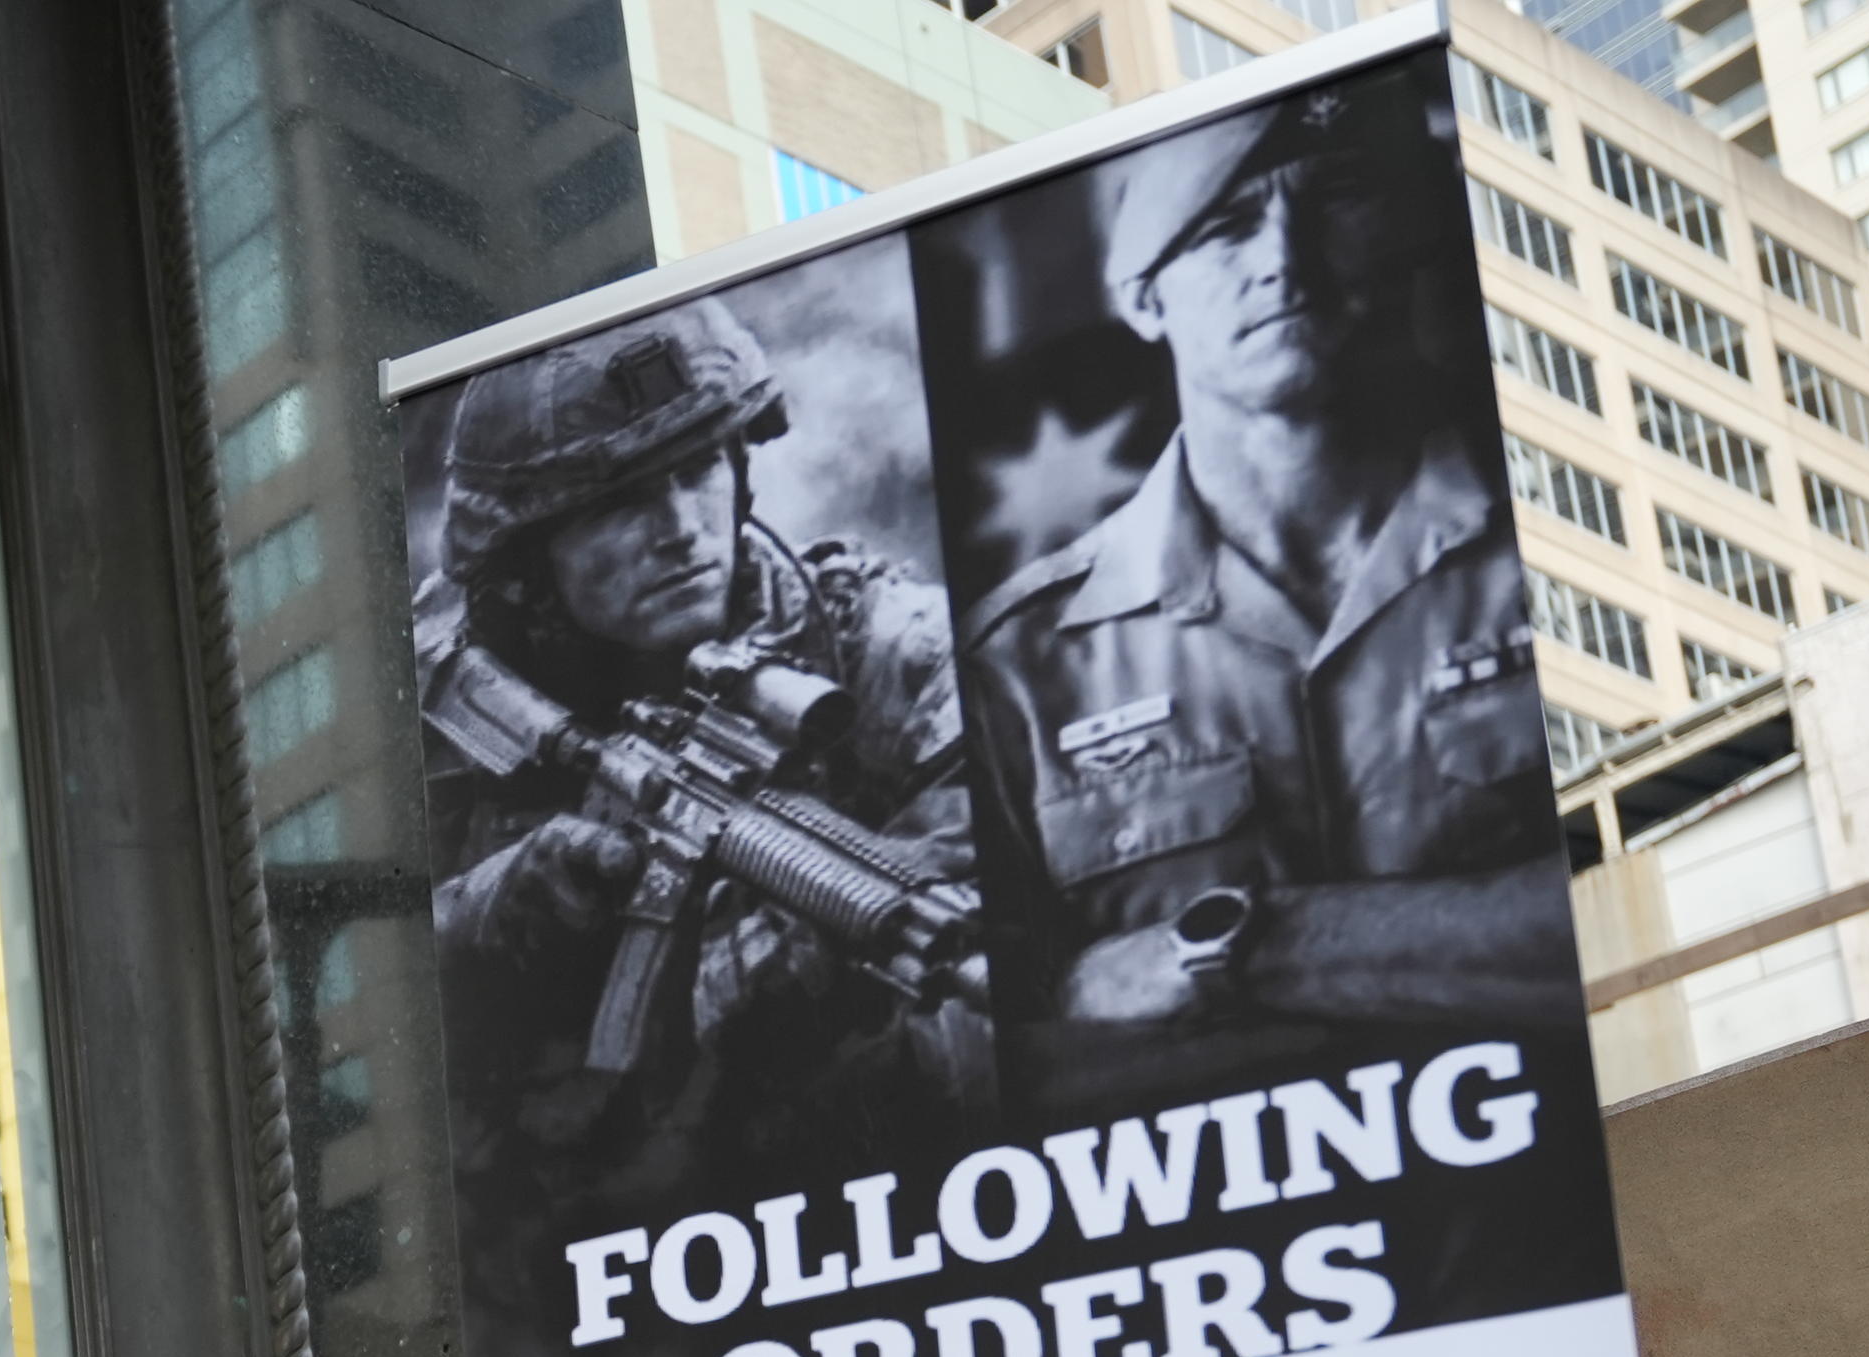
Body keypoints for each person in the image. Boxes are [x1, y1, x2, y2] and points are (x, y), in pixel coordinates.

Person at [957, 86, 1575, 1102]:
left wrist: (1243, 942)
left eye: (1335, 196)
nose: (1284, 257)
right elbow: (985, 1060)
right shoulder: (1019, 668)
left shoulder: (1550, 540)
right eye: (1224, 225)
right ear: (1142, 298)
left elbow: (1617, 898)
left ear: (1402, 235)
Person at [421, 296, 987, 1187]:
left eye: (698, 471)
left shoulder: (891, 649)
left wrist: (778, 952)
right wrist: (496, 908)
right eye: (621, 502)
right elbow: (350, 1000)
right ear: (526, 558)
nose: (682, 529)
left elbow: (997, 898)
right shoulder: (452, 700)